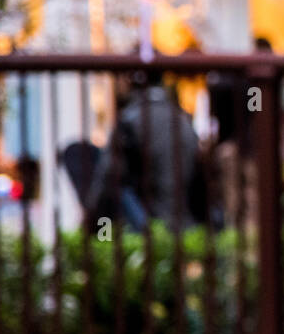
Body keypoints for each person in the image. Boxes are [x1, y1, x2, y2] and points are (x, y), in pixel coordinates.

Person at [85, 71, 200, 231]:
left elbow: (108, 178)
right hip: (186, 226)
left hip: (146, 230)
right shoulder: (184, 119)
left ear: (128, 80)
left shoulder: (129, 120)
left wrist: (93, 227)